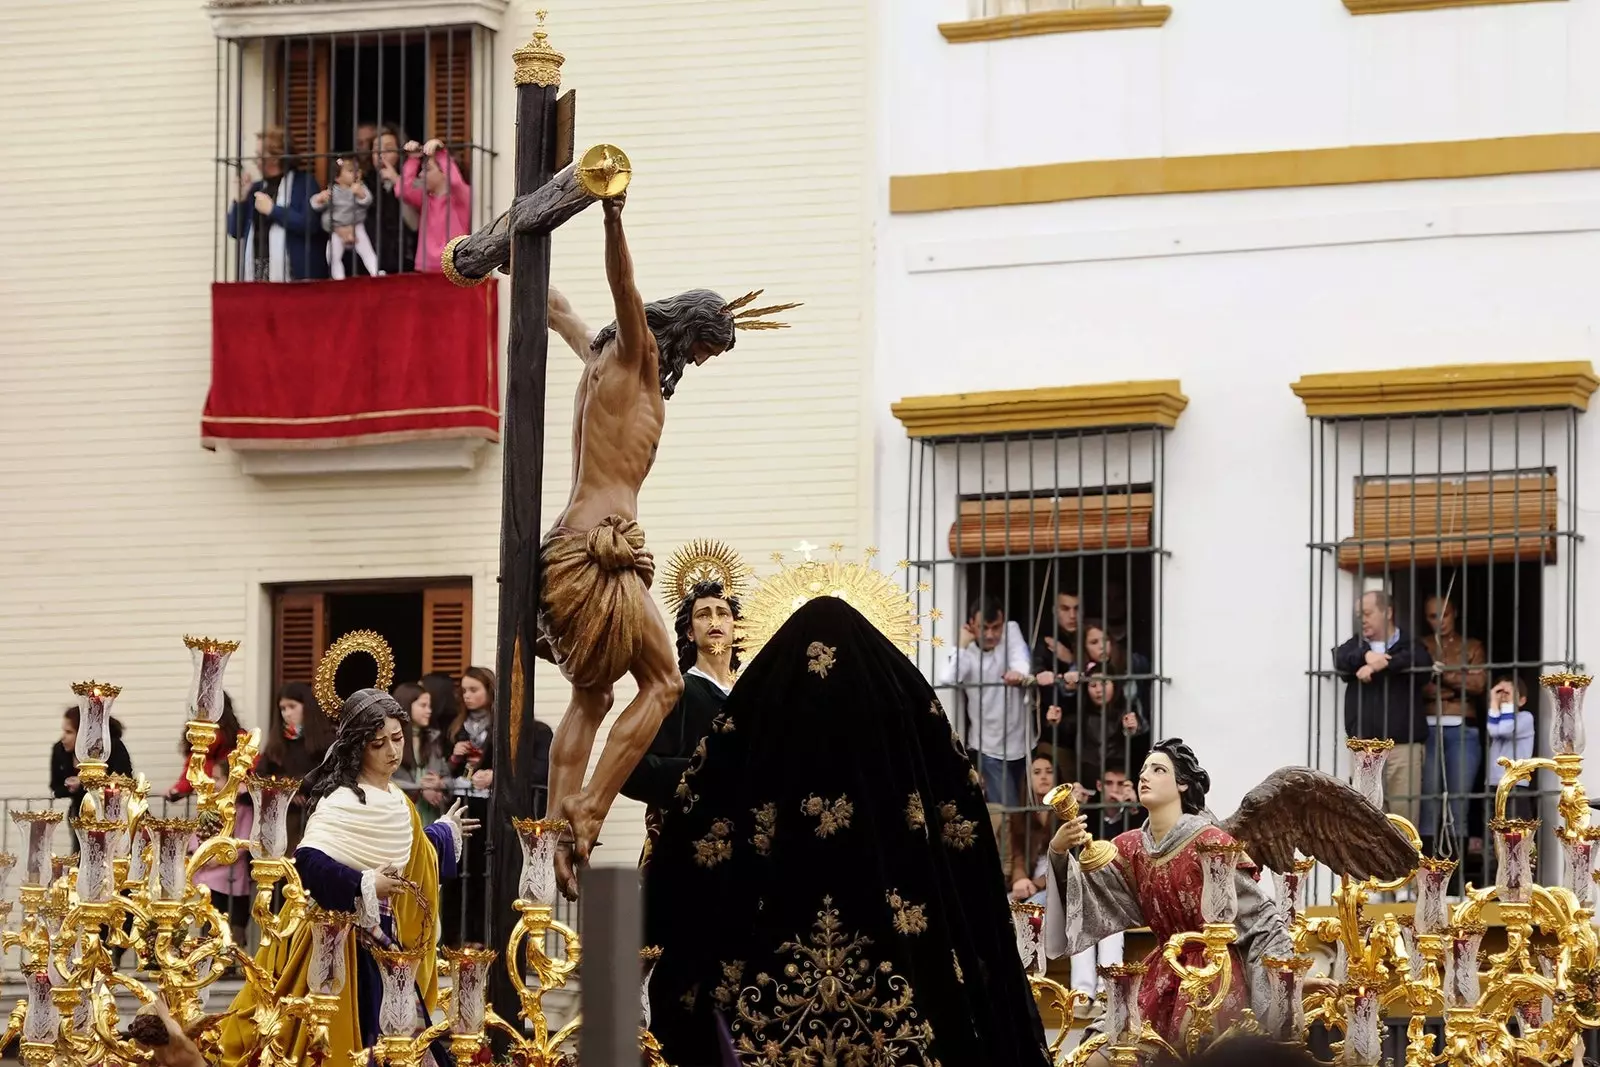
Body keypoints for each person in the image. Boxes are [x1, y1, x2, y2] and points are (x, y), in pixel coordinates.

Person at [644, 596, 1051, 1067]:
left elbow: (710, 796)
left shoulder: (767, 699)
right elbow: (953, 798)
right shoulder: (895, 698)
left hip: (777, 912)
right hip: (889, 912)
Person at [538, 193, 785, 898]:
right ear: (690, 330)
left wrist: (516, 262)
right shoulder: (640, 353)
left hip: (566, 545)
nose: (701, 363)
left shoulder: (599, 353)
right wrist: (612, 215)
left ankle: (555, 830)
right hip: (599, 551)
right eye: (706, 350)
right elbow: (626, 286)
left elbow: (559, 311)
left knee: (590, 695)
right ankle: (588, 808)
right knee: (664, 681)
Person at [217, 688, 477, 1067]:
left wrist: (444, 832)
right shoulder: (340, 800)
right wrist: (364, 884)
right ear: (358, 747)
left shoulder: (398, 800)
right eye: (378, 743)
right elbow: (309, 861)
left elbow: (411, 851)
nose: (392, 751)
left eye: (397, 739)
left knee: (406, 1043)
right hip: (340, 945)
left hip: (389, 942)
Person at [1043, 739, 1296, 1055]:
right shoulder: (1131, 848)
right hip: (1160, 974)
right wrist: (1058, 851)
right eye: (1143, 770)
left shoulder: (1210, 842)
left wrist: (1280, 994)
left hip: (1212, 979)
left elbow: (1260, 920)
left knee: (1190, 1051)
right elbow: (1085, 902)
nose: (1144, 777)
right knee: (1101, 1054)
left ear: (1182, 784)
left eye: (1158, 769)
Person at [620, 577, 739, 862]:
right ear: (689, 632)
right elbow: (631, 769)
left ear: (737, 627)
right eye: (703, 614)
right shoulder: (675, 692)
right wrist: (705, 770)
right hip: (688, 846)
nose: (715, 621)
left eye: (723, 613)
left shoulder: (751, 697)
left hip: (741, 845)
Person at [1333, 590, 1433, 828]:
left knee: (1404, 815)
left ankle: (1403, 865)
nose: (1363, 619)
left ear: (1387, 612)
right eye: (1360, 615)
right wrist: (1366, 655)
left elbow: (1421, 662)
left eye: (1367, 613)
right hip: (1365, 746)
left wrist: (1381, 664)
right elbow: (1340, 657)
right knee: (1367, 815)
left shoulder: (1410, 645)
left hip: (1403, 746)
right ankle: (1371, 866)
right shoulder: (1356, 646)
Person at [937, 597, 1034, 807]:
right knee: (1008, 812)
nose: (990, 634)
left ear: (1003, 622)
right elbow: (948, 678)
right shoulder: (968, 653)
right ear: (972, 624)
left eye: (996, 627)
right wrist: (961, 646)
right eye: (984, 627)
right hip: (989, 748)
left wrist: (1019, 673)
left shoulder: (1011, 630)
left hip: (1022, 743)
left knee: (1028, 811)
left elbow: (1022, 660)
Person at [1420, 595, 1487, 850]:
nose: (1440, 621)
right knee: (1428, 801)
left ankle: (1457, 876)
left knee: (1459, 801)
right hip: (1426, 727)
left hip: (1463, 728)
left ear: (1455, 612)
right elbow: (1418, 688)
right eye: (1432, 616)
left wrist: (1441, 676)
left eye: (1444, 614)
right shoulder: (1421, 646)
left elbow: (1478, 684)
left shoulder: (1472, 646)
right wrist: (1459, 682)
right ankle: (1426, 870)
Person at [226, 126, 325, 282]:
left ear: (275, 158)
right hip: (258, 276)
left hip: (294, 278)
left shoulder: (304, 183)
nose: (255, 161)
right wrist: (240, 200)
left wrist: (273, 210)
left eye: (259, 156)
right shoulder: (257, 188)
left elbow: (310, 224)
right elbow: (234, 231)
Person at [441, 666, 495, 946]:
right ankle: (451, 938)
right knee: (455, 869)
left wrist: (493, 775)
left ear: (489, 690)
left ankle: (478, 936)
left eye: (474, 689)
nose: (468, 696)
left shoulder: (500, 724)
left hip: (486, 805)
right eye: (464, 691)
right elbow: (444, 775)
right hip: (460, 801)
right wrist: (454, 758)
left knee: (480, 871)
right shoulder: (456, 726)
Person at [257, 681, 334, 852]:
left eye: (292, 706)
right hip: (286, 818)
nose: (287, 714)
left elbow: (331, 775)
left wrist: (299, 785)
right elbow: (260, 776)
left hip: (320, 815)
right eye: (283, 709)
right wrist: (288, 790)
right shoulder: (277, 743)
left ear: (306, 706)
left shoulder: (326, 739)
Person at [399, 137, 471, 273]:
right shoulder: (425, 199)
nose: (420, 174)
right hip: (425, 267)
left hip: (453, 267)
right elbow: (402, 190)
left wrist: (441, 153)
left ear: (444, 173)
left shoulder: (462, 195)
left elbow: (455, 182)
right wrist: (413, 159)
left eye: (427, 169)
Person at [51, 706, 134, 823]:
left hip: (115, 813)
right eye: (63, 731)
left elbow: (125, 780)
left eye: (69, 732)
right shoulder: (60, 750)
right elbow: (56, 787)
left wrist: (84, 783)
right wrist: (72, 788)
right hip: (82, 814)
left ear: (84, 734)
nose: (63, 737)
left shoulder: (112, 746)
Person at [391, 681, 450, 824]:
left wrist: (440, 784)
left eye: (429, 706)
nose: (429, 710)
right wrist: (420, 789)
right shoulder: (390, 740)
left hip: (431, 816)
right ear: (406, 705)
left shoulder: (433, 739)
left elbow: (448, 776)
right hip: (401, 817)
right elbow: (382, 779)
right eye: (423, 705)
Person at [364, 123, 418, 275]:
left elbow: (414, 223)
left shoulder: (412, 181)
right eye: (375, 149)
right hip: (372, 264)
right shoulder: (364, 183)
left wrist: (397, 182)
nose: (381, 154)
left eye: (388, 149)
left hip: (405, 260)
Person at [311, 155, 377, 279]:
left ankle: (375, 272)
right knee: (332, 255)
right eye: (351, 171)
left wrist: (361, 194)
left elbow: (368, 201)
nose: (355, 173)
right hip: (337, 228)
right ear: (337, 177)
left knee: (366, 251)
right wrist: (319, 199)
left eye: (356, 170)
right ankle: (338, 278)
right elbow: (316, 205)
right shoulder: (332, 192)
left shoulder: (359, 187)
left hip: (356, 225)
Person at [1487, 675, 1536, 820]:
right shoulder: (1495, 718)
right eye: (1499, 693)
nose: (1503, 697)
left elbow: (1505, 730)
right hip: (1493, 782)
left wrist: (1507, 704)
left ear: (1522, 700)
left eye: (1508, 693)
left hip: (1516, 782)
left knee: (1515, 829)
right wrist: (1493, 703)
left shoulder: (1526, 718)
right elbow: (1494, 730)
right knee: (1494, 830)